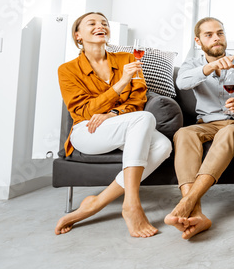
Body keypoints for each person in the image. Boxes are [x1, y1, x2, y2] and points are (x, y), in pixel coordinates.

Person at [55, 12, 172, 238]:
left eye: (104, 24)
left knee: (163, 146)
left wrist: (114, 113)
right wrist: (119, 85)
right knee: (145, 119)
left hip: (121, 123)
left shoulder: (127, 60)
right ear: (78, 35)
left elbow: (138, 99)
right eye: (92, 23)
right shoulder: (66, 70)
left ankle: (97, 202)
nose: (101, 26)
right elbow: (83, 111)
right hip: (87, 131)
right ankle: (131, 204)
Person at [165, 17, 234, 239]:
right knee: (183, 133)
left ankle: (186, 202)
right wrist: (210, 67)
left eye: (220, 33)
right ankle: (196, 213)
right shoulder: (192, 65)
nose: (216, 38)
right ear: (198, 41)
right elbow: (183, 82)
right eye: (209, 35)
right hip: (207, 123)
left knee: (227, 132)